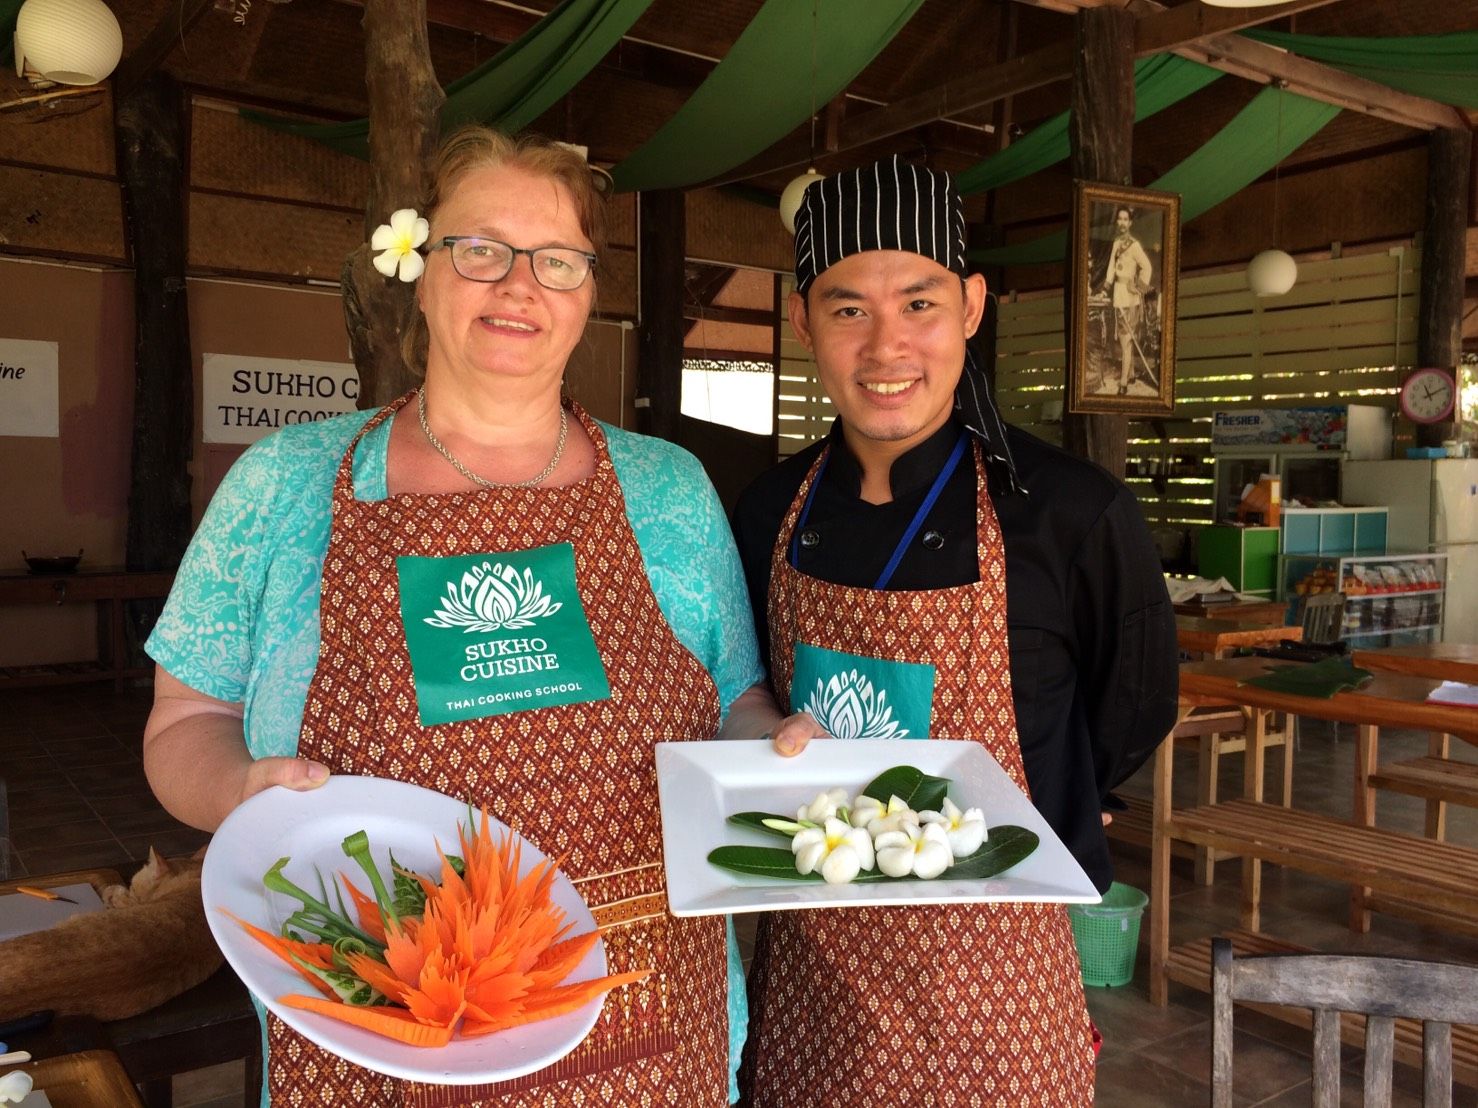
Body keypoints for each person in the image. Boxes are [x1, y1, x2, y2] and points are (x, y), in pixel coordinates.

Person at [143, 127, 762, 1107]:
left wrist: (786, 753)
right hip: (380, 1025)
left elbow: (735, 705)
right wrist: (239, 787)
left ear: (587, 292)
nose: (518, 286)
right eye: (478, 250)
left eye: (556, 259)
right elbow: (186, 722)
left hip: (647, 1034)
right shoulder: (282, 485)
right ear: (417, 274)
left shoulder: (671, 490)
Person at [729, 156, 1178, 1105]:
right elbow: (742, 686)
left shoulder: (1071, 512)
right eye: (848, 308)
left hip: (1001, 974)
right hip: (816, 974)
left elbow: (1130, 703)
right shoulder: (769, 506)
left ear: (971, 307)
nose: (886, 346)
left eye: (919, 305)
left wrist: (1071, 792)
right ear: (805, 320)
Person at [1100, 206, 1154, 395]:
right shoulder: (1116, 243)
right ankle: (1130, 373)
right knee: (1124, 340)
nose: (1122, 223)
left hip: (1130, 299)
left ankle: (1124, 381)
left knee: (1126, 340)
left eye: (1126, 219)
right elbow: (1111, 269)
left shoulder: (1134, 245)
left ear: (1130, 223)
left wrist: (1138, 286)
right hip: (1118, 296)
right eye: (1120, 219)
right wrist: (1105, 289)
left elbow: (1147, 267)